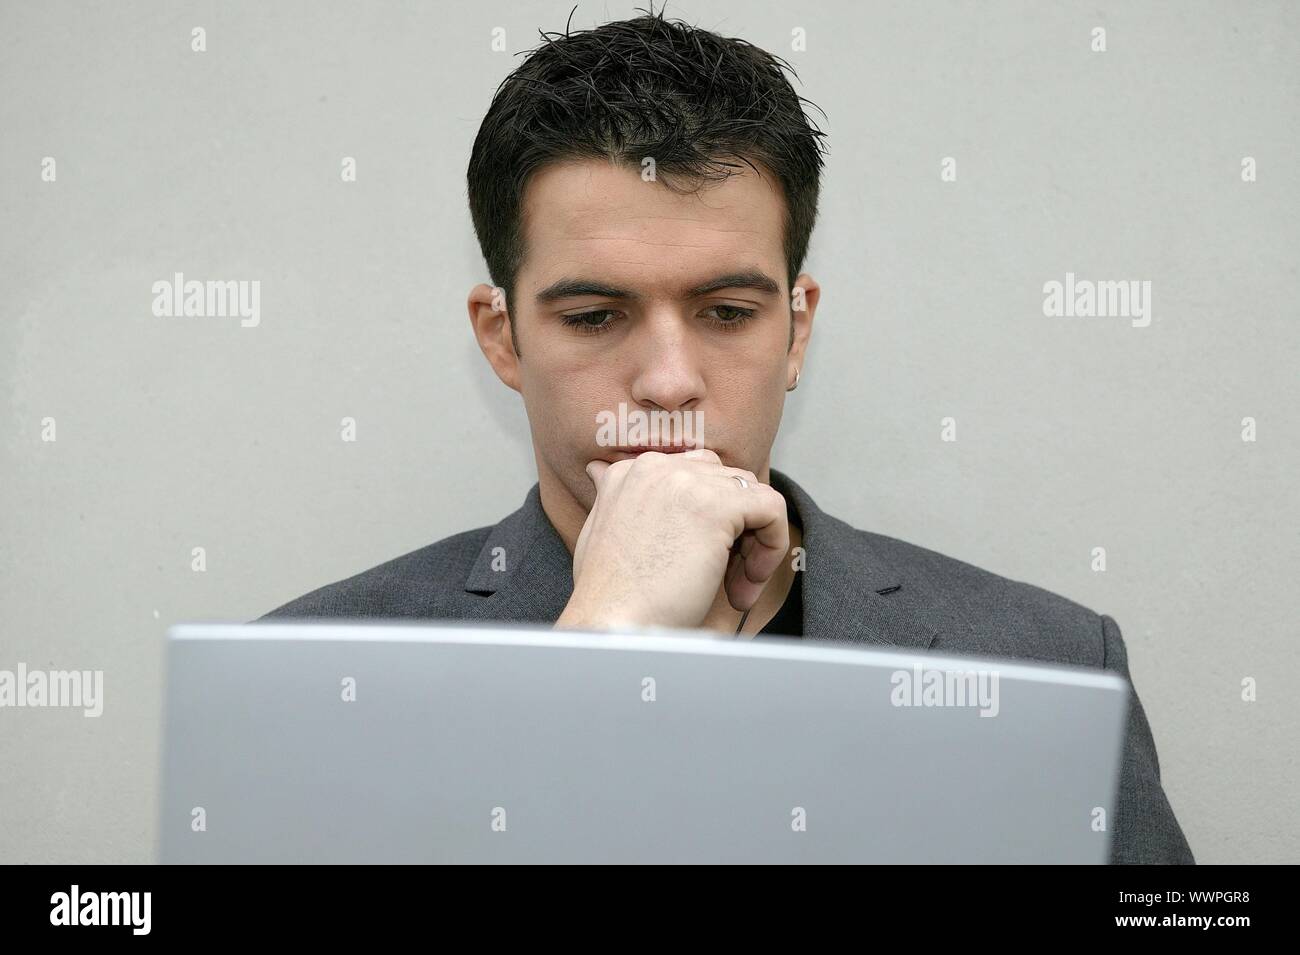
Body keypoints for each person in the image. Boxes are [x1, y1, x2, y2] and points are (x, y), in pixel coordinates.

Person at [261, 9, 1193, 864]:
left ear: (798, 329)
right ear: (502, 339)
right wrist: (597, 647)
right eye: (593, 316)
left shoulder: (1052, 663)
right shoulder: (312, 676)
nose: (669, 381)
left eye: (727, 311)